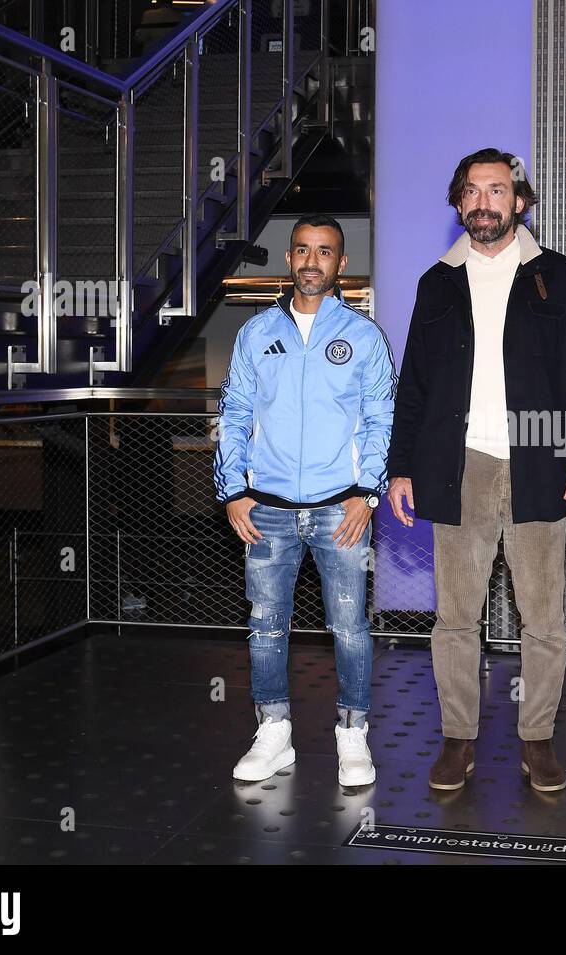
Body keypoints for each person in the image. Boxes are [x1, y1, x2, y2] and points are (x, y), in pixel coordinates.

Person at [386, 148, 566, 793]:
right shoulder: (437, 281)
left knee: (544, 619)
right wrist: (402, 469)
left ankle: (537, 739)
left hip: (538, 460)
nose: (485, 201)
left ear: (519, 201)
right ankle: (458, 738)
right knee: (455, 618)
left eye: (498, 189)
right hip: (460, 465)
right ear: (459, 204)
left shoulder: (557, 276)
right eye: (473, 191)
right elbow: (416, 386)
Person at [215, 213, 396, 787]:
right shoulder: (255, 334)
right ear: (290, 258)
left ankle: (353, 739)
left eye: (325, 252)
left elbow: (380, 420)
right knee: (266, 626)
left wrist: (367, 493)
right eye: (302, 250)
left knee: (349, 627)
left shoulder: (365, 337)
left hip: (340, 508)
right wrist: (233, 491)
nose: (312, 261)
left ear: (342, 264)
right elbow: (235, 414)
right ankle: (274, 736)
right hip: (264, 508)